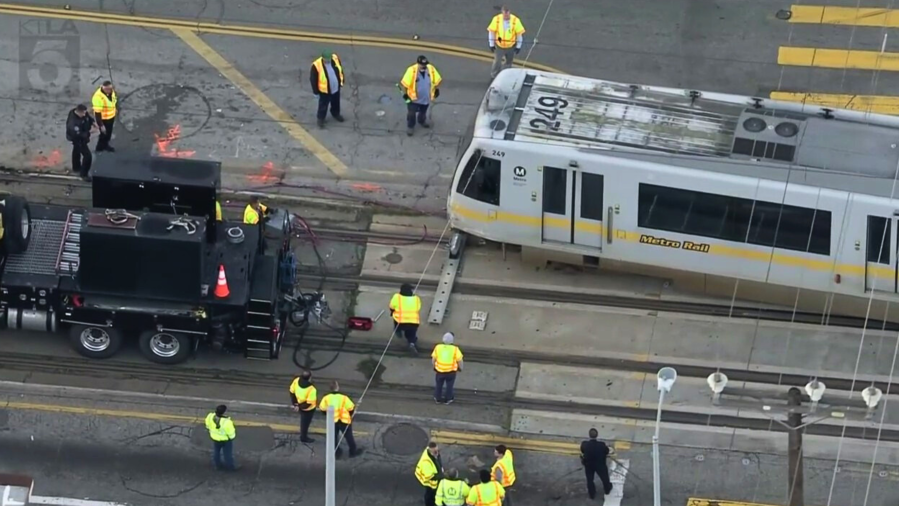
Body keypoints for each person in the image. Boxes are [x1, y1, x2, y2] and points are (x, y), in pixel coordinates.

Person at [318, 380, 364, 458]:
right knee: (349, 436)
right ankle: (352, 452)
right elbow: (351, 408)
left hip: (332, 420)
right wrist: (351, 414)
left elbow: (322, 409)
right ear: (337, 387)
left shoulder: (326, 398)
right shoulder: (343, 397)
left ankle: (337, 452)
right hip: (344, 420)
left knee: (333, 437)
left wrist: (328, 415)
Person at [399, 56, 442, 137]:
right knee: (411, 113)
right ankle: (410, 126)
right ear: (418, 63)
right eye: (422, 65)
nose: (424, 66)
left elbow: (436, 80)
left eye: (425, 64)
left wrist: (436, 90)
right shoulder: (411, 70)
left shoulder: (431, 69)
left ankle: (421, 121)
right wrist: (406, 95)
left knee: (423, 112)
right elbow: (405, 84)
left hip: (426, 98)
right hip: (414, 99)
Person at [309, 50, 346, 128]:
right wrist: (315, 92)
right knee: (323, 105)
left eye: (329, 59)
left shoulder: (335, 59)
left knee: (336, 102)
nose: (328, 61)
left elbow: (340, 70)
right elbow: (313, 79)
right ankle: (320, 119)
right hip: (324, 91)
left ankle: (335, 113)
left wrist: (341, 82)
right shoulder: (316, 65)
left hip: (335, 87)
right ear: (323, 58)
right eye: (326, 60)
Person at [487, 6, 525, 79]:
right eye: (504, 14)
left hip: (510, 46)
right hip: (499, 46)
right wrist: (491, 44)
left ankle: (505, 76)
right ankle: (494, 75)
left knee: (508, 63)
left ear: (509, 12)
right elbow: (491, 32)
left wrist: (518, 46)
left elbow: (519, 35)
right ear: (502, 12)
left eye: (507, 14)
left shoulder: (515, 20)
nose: (506, 16)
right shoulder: (496, 19)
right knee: (497, 62)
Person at [581, 428, 613, 499]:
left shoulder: (584, 444)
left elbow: (582, 451)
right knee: (604, 477)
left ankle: (592, 494)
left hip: (589, 465)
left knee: (590, 479)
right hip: (600, 465)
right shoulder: (601, 445)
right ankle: (607, 489)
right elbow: (607, 451)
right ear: (597, 435)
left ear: (589, 435)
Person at [389, 283, 422, 353]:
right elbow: (418, 308)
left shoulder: (397, 297)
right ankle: (411, 343)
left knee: (396, 323)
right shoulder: (416, 298)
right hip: (414, 321)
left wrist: (392, 311)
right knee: (411, 334)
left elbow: (392, 306)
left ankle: (398, 332)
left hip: (400, 321)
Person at [432, 332, 463, 404]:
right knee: (449, 386)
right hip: (451, 372)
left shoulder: (438, 347)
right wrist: (460, 368)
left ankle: (437, 398)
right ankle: (448, 398)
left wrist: (434, 367)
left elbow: (433, 359)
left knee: (439, 385)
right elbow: (460, 360)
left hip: (439, 371)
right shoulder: (455, 349)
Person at [65, 104, 95, 180]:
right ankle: (84, 174)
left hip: (80, 137)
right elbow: (79, 134)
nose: (85, 114)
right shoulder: (73, 123)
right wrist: (90, 132)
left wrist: (93, 122)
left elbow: (88, 117)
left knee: (76, 151)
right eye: (83, 113)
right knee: (88, 156)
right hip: (78, 139)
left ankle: (76, 167)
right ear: (79, 112)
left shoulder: (81, 114)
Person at [204, 404, 238, 471]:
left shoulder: (210, 416)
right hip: (225, 440)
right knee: (227, 454)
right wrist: (231, 438)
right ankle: (230, 467)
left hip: (215, 438)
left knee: (216, 452)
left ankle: (217, 465)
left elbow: (207, 425)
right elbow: (231, 433)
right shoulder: (227, 422)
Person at [289, 370, 317, 443]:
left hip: (299, 405)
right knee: (305, 423)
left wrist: (295, 404)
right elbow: (309, 403)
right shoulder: (311, 389)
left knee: (304, 421)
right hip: (308, 409)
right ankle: (303, 438)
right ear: (309, 378)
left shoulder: (296, 380)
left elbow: (292, 392)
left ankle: (303, 436)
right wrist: (299, 407)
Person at [92, 80, 117, 152]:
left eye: (110, 89)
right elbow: (97, 113)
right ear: (103, 88)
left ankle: (105, 144)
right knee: (103, 134)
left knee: (108, 133)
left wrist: (115, 109)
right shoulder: (98, 97)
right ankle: (99, 148)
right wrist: (101, 125)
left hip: (111, 117)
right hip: (103, 119)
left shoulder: (112, 91)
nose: (109, 91)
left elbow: (114, 100)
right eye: (107, 89)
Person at [415, 442, 444, 506]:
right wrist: (442, 476)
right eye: (435, 451)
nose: (437, 453)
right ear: (430, 451)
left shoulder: (433, 453)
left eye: (437, 450)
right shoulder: (426, 462)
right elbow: (430, 476)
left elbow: (438, 458)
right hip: (430, 482)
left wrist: (440, 467)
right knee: (430, 495)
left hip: (435, 478)